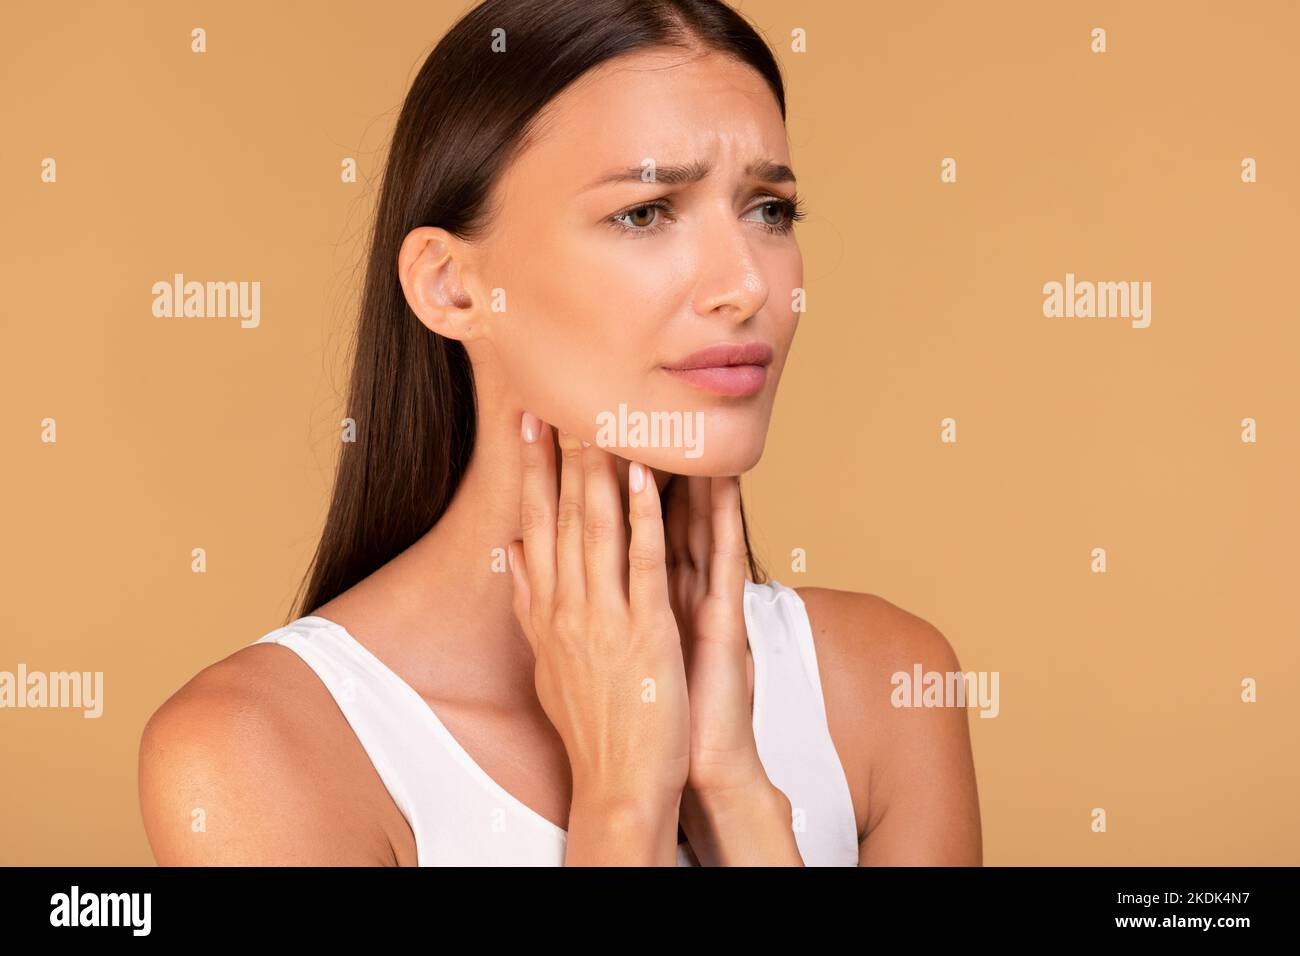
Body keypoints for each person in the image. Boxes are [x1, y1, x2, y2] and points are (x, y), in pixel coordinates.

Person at [138, 0, 981, 866]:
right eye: (647, 211)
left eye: (769, 210)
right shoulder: (258, 751)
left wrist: (735, 792)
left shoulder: (885, 686)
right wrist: (620, 805)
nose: (745, 286)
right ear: (450, 287)